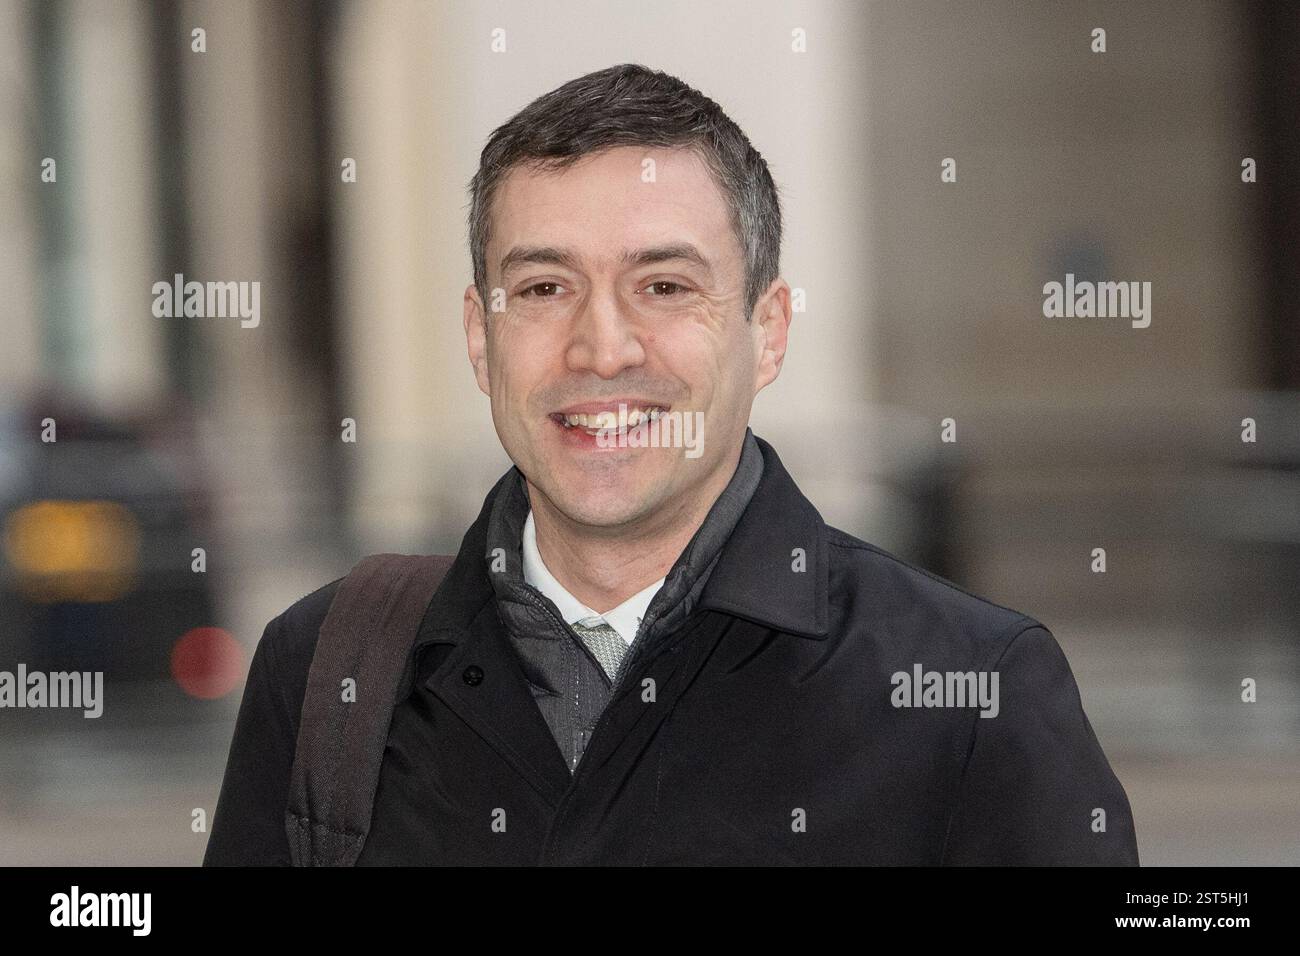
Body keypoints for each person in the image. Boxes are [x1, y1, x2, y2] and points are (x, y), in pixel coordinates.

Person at [204, 63, 1138, 865]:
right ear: (481, 339)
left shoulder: (973, 691)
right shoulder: (328, 673)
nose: (601, 348)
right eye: (542, 288)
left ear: (766, 334)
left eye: (663, 286)